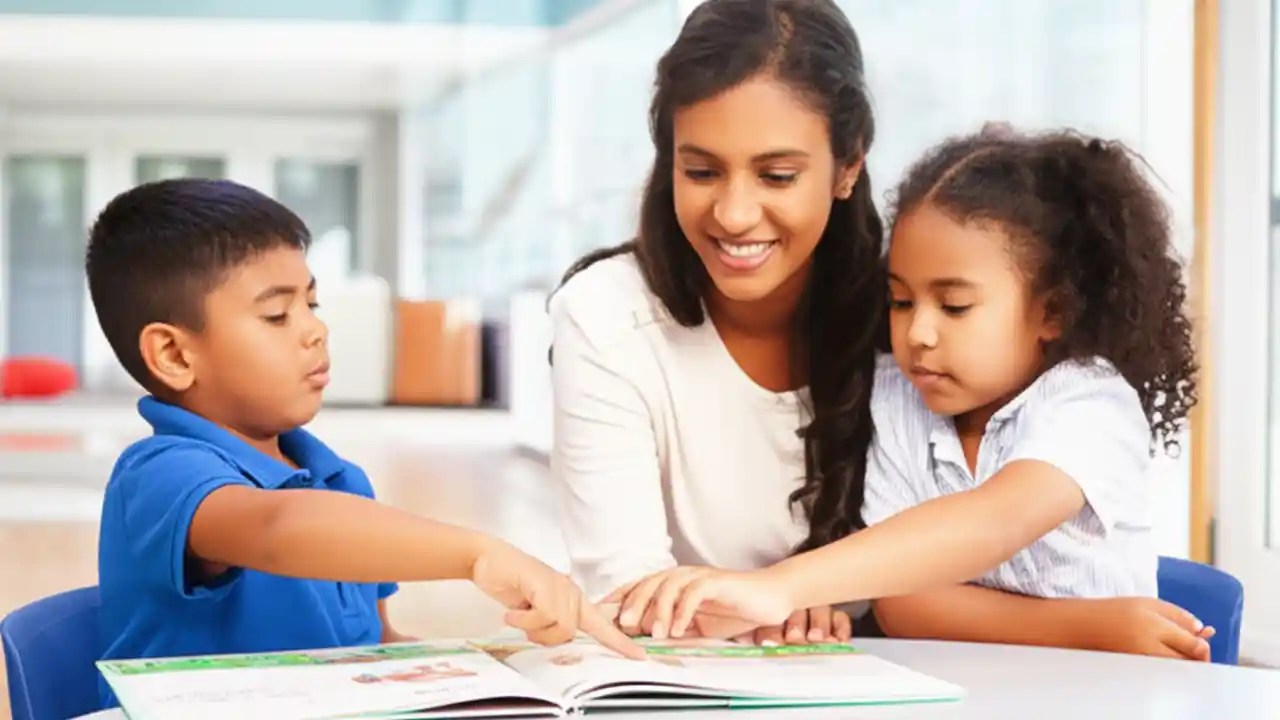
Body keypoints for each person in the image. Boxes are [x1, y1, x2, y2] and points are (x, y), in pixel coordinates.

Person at [551, 0, 1209, 657]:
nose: (735, 211)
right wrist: (782, 604)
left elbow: (985, 524)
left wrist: (788, 595)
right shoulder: (901, 389)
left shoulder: (1052, 393)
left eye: (777, 175)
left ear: (848, 165)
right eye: (699, 171)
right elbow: (899, 599)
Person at [89, 179, 642, 708]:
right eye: (277, 315)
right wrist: (479, 554)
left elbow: (373, 643)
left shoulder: (341, 481)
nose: (314, 330)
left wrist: (495, 675)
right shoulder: (160, 475)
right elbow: (275, 527)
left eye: (312, 304)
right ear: (175, 355)